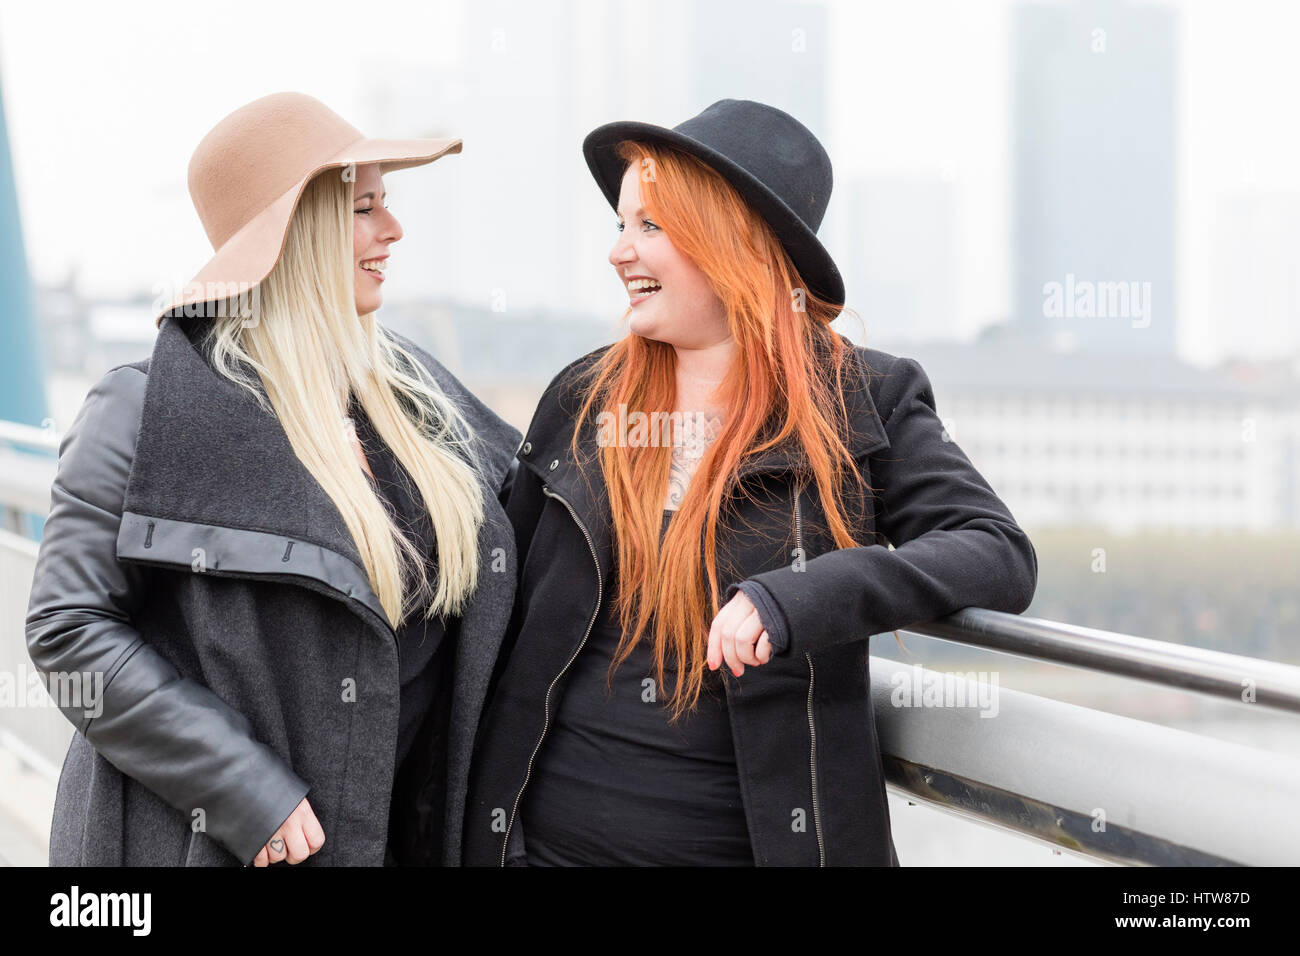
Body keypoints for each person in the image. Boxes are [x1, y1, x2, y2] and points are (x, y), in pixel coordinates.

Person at [463, 99, 1038, 866]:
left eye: (650, 228)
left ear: (731, 242)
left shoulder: (864, 400)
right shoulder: (584, 399)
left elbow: (997, 552)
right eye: (619, 226)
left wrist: (798, 597)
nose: (618, 253)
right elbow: (496, 611)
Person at [25, 92, 521, 866]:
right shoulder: (142, 406)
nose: (392, 231)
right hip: (201, 845)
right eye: (364, 209)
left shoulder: (413, 398)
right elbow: (69, 632)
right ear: (299, 232)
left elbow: (554, 500)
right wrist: (241, 786)